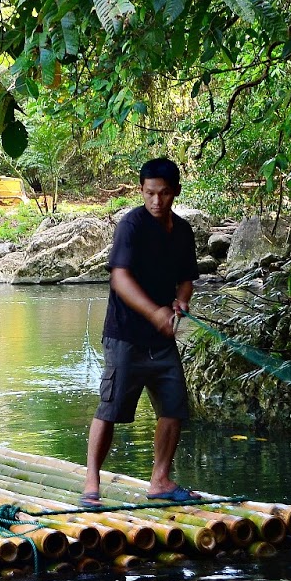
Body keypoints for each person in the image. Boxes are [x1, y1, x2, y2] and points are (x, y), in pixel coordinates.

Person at [83, 157, 199, 507]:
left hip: (161, 339)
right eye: (150, 193)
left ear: (175, 192)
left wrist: (179, 301)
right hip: (125, 336)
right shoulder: (130, 225)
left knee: (174, 406)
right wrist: (155, 312)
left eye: (164, 194)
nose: (156, 201)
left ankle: (160, 480)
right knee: (111, 407)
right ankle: (91, 481)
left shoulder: (182, 231)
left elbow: (186, 279)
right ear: (141, 191)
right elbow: (119, 278)